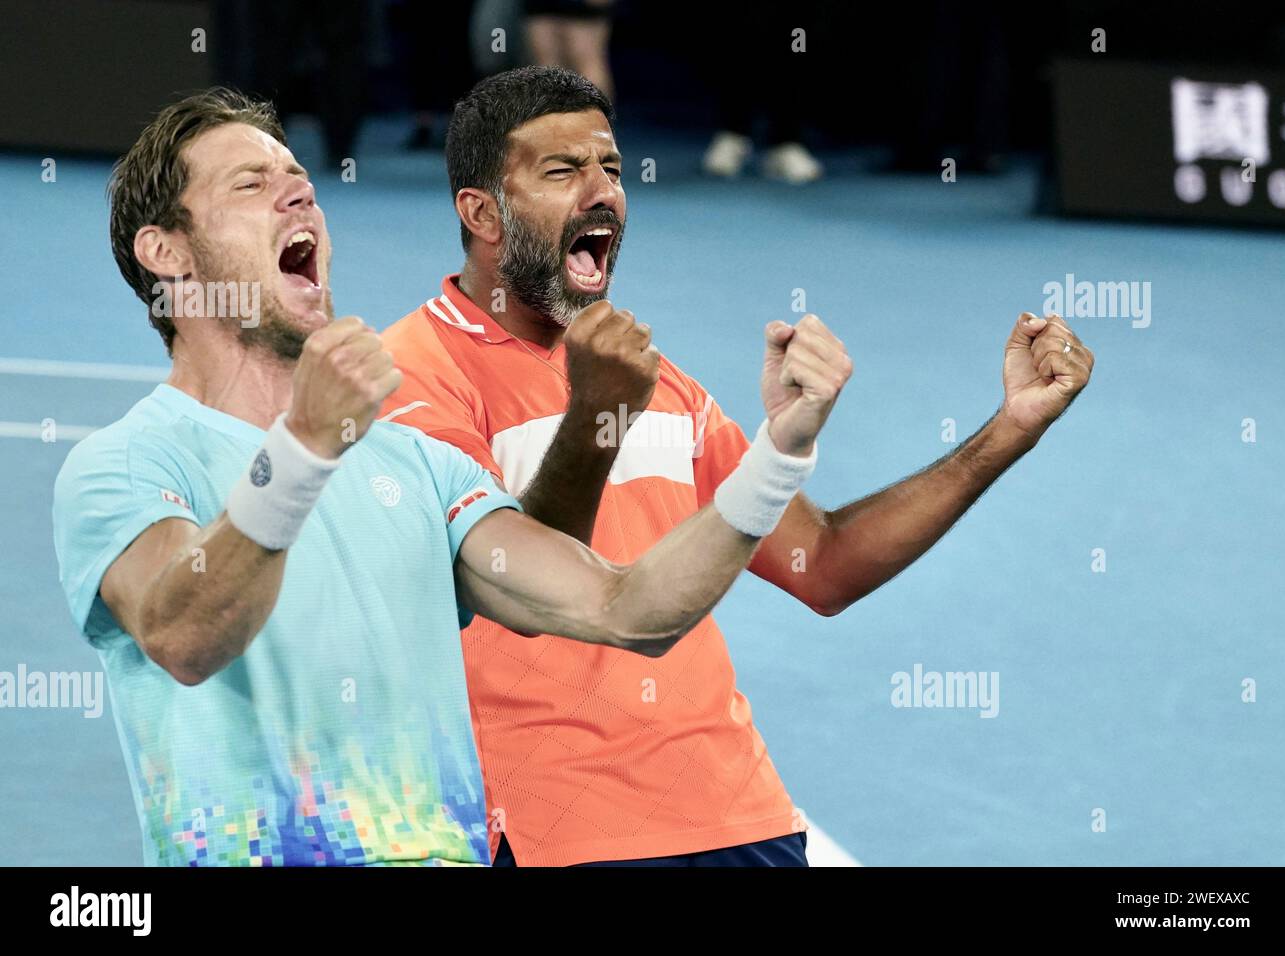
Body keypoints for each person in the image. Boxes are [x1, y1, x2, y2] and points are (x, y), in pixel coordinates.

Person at [51, 87, 849, 866]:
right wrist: (302, 450)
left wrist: (778, 458)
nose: (299, 196)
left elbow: (628, 607)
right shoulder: (125, 464)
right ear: (166, 252)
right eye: (253, 185)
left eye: (301, 182)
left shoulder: (417, 464)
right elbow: (186, 636)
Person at [379, 66, 1094, 866]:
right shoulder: (412, 375)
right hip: (561, 834)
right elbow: (517, 587)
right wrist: (595, 419)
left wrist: (1008, 430)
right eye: (561, 171)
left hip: (741, 817)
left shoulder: (660, 379)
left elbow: (819, 563)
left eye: (611, 169)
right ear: (481, 212)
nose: (602, 191)